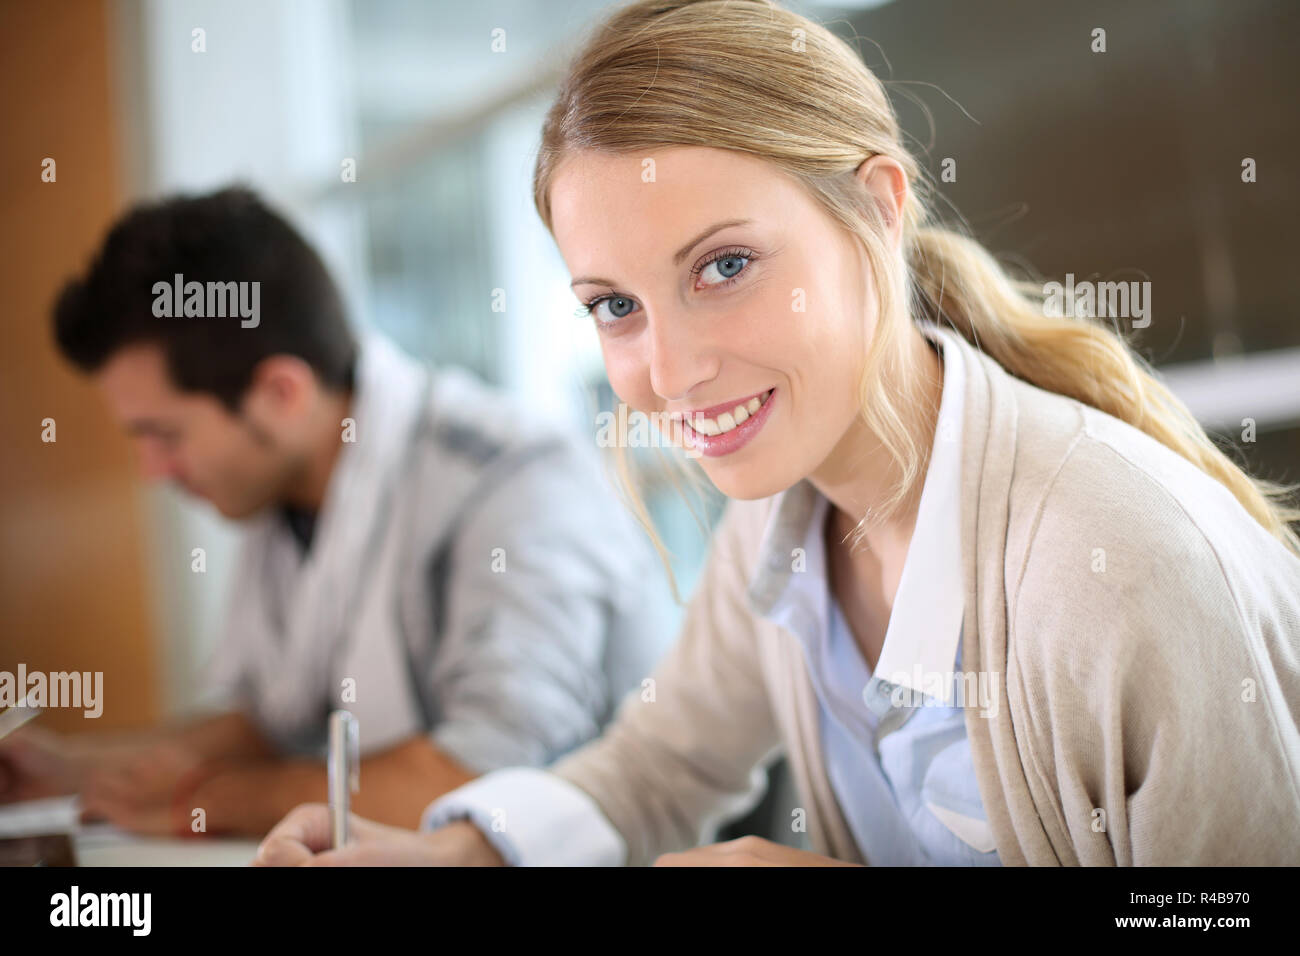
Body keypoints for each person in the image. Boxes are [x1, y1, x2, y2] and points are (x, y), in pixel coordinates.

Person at [255, 0, 1300, 866]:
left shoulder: (1117, 568)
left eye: (723, 266)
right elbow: (660, 764)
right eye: (614, 305)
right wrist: (454, 853)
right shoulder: (778, 517)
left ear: (878, 210)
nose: (667, 373)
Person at [0, 185, 673, 838]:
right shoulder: (287, 503)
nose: (152, 471)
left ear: (281, 393)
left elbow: (484, 778)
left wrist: (204, 799)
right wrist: (76, 771)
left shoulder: (513, 480)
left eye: (165, 434)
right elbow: (275, 722)